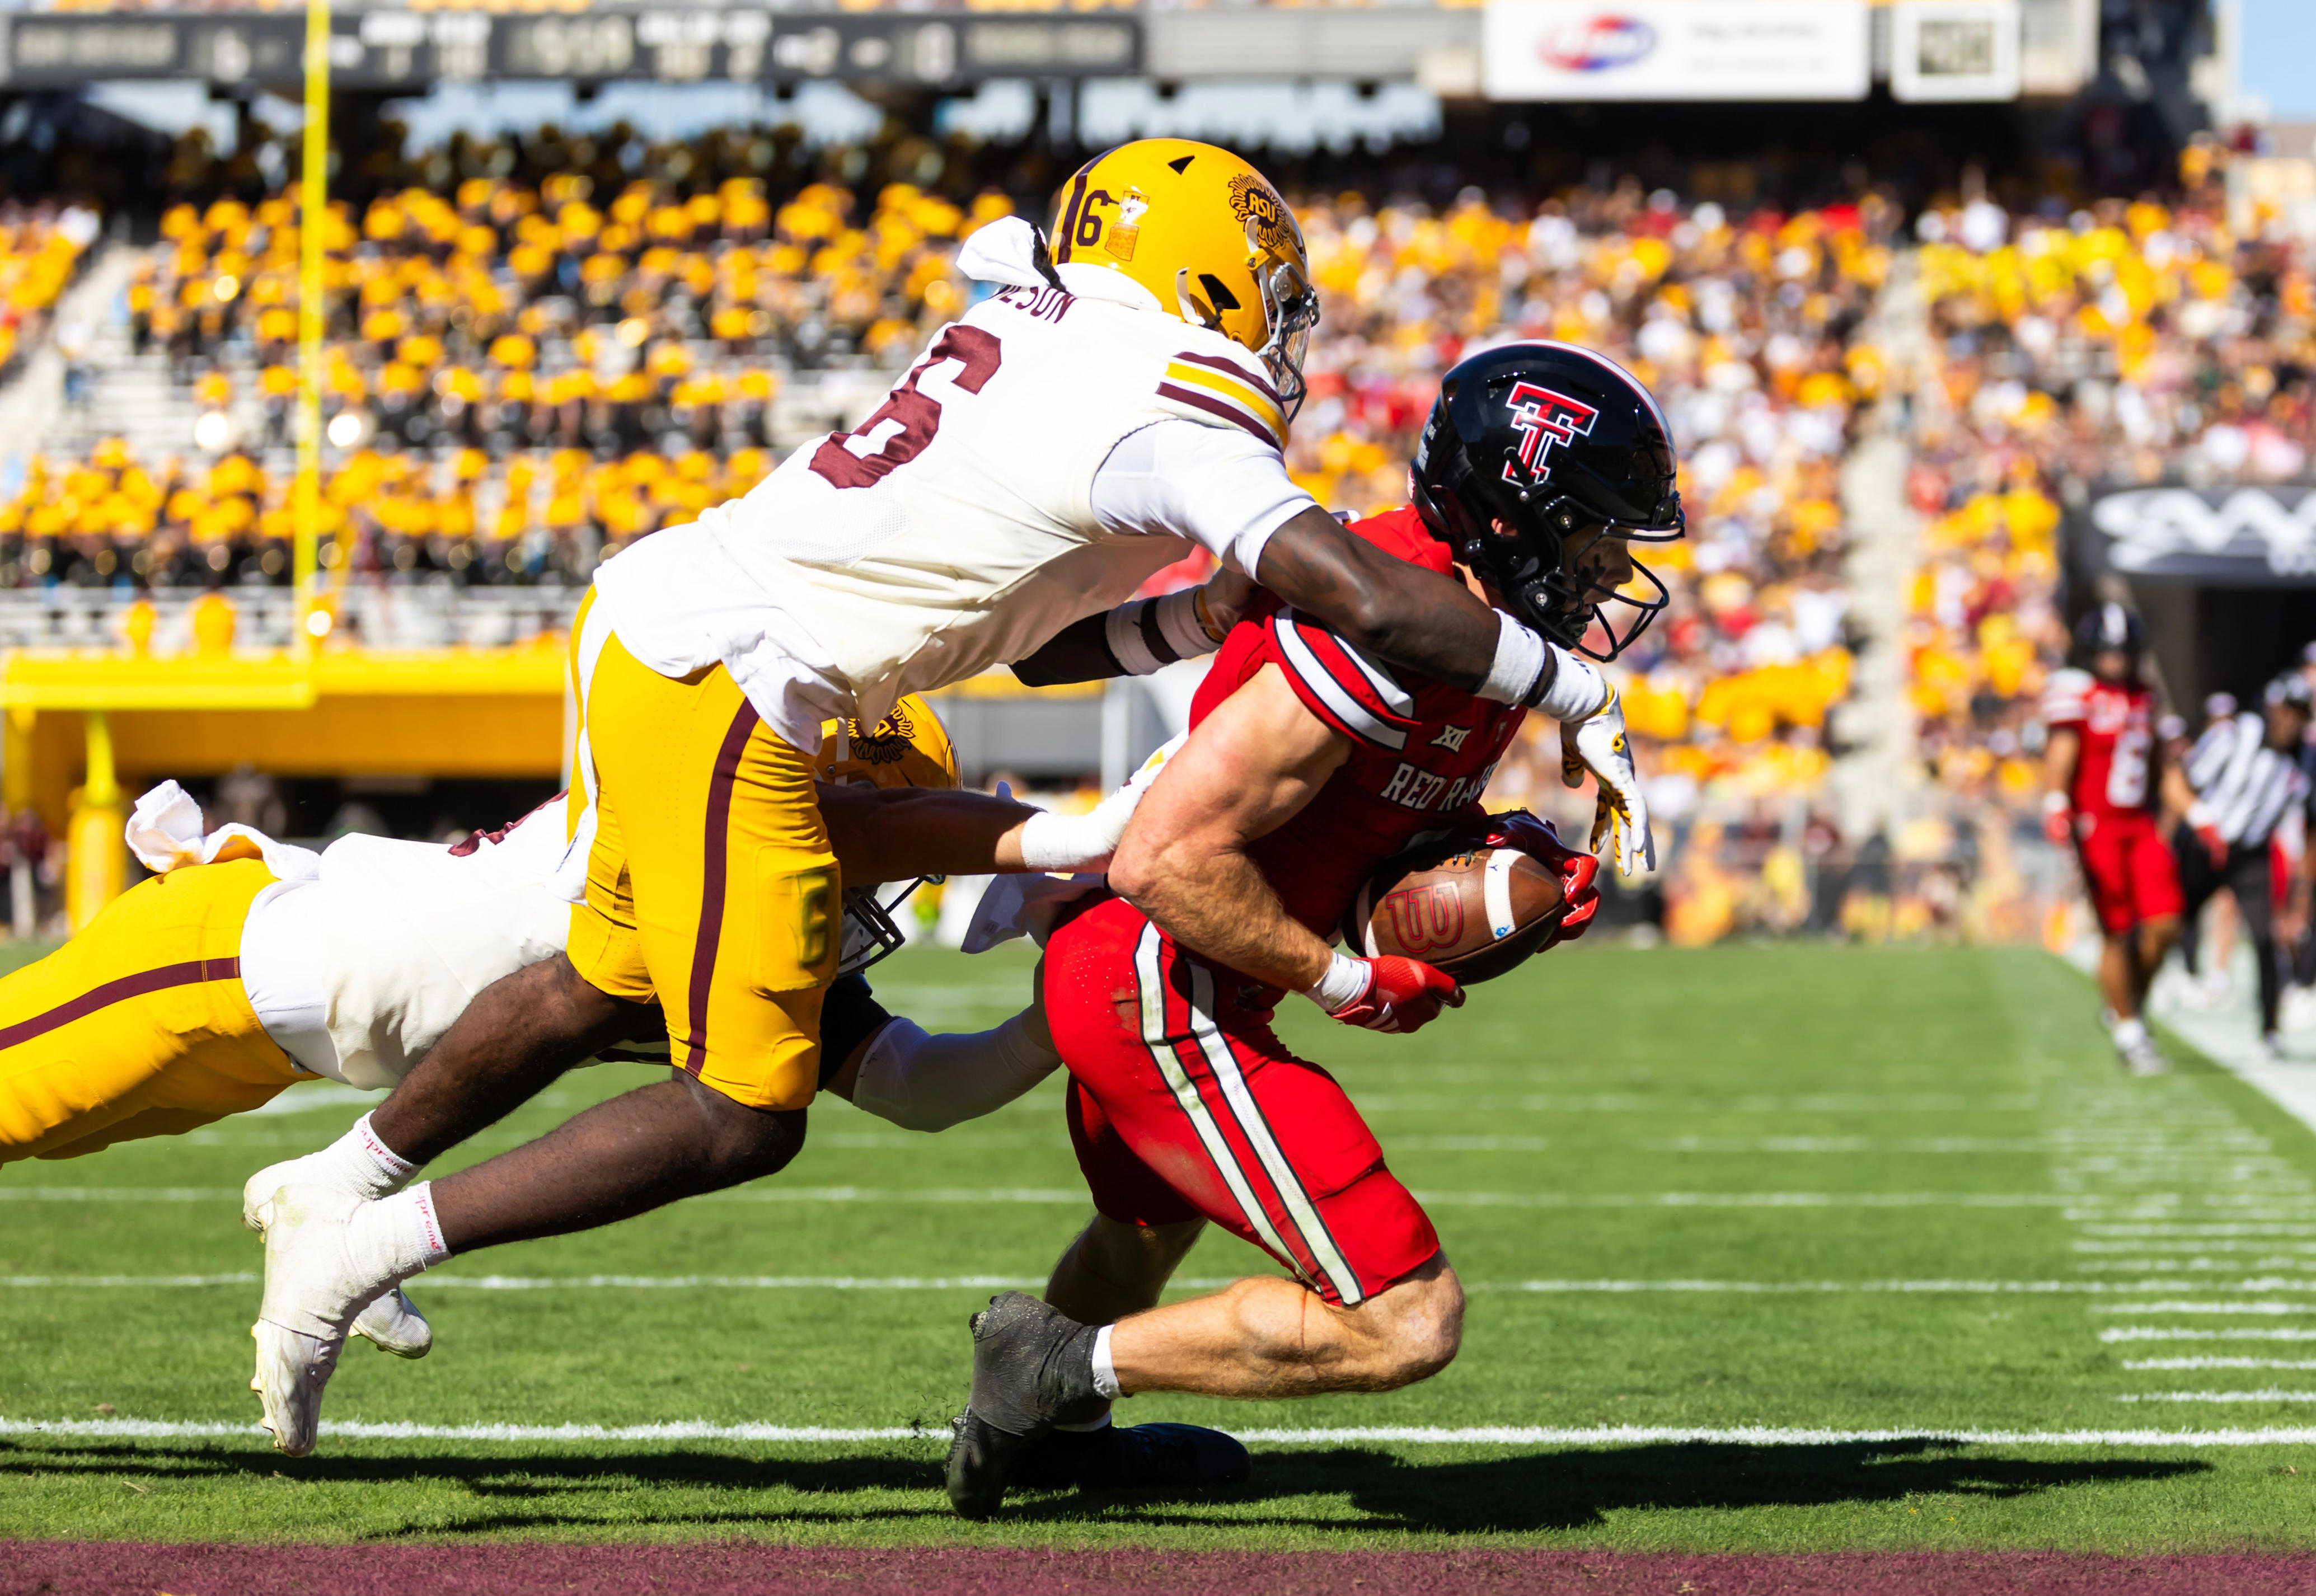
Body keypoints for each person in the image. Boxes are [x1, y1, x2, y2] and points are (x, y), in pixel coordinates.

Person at [247, 142, 1651, 1452]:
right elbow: (1353, 590)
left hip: (665, 625)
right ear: (1202, 276)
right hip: (738, 678)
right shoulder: (1170, 407)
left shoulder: (1044, 329)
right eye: (1272, 299)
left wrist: (1187, 623)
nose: (1285, 334)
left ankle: (345, 1176)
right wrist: (1580, 697)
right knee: (744, 1109)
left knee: (597, 981)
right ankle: (355, 1248)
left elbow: (1017, 636)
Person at [943, 338, 1675, 1518]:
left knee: (1142, 1232)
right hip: (1158, 983)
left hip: (1168, 970)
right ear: (1515, 506)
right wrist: (1345, 979)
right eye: (1594, 534)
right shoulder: (1384, 621)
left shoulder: (1460, 620)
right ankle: (1049, 1369)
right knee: (1403, 1314)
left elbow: (1337, 830)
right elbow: (1168, 855)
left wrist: (1499, 879)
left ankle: (1049, 1435)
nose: (1606, 571)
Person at [2041, 604, 2183, 1074]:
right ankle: (2129, 1033)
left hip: (2138, 824)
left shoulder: (2146, 697)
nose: (2116, 660)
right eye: (2108, 651)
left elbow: (2164, 768)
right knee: (2116, 932)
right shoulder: (2078, 693)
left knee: (2166, 923)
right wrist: (2057, 803)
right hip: (2097, 825)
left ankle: (2125, 1000)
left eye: (2123, 652)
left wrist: (2199, 814)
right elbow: (2061, 756)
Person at [2168, 672, 2314, 1059]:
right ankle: (2133, 1004)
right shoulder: (2237, 734)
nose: (2292, 722)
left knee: (2267, 939)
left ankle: (2269, 1030)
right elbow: (2179, 782)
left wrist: (2300, 889)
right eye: (2288, 711)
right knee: (2167, 921)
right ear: (2272, 707)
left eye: (2301, 715)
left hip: (2252, 855)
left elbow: (2309, 826)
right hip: (2207, 844)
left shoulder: (2302, 761)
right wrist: (2202, 821)